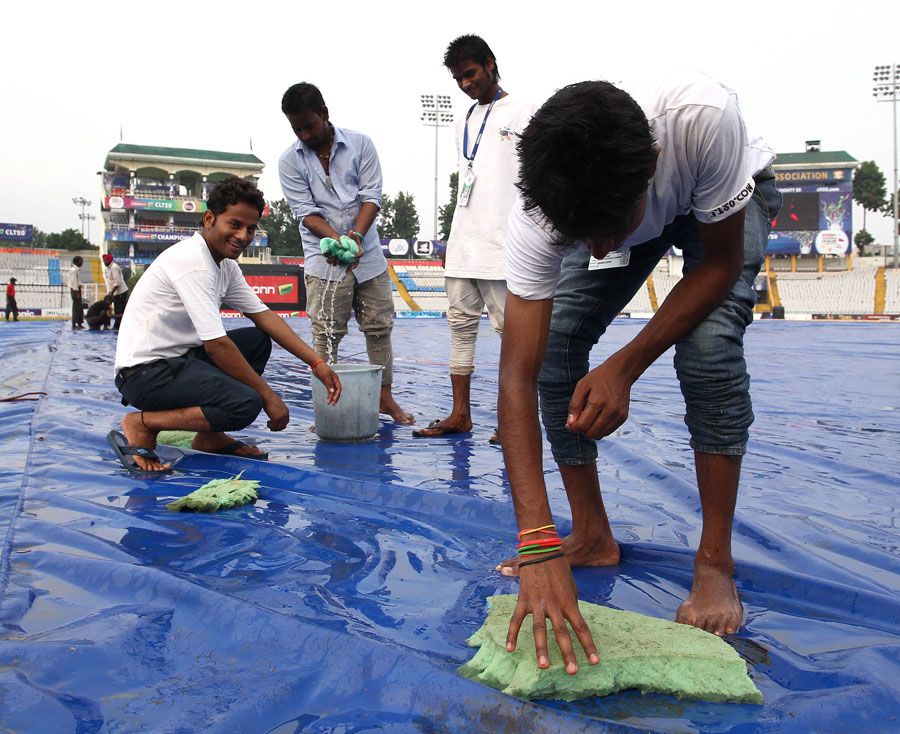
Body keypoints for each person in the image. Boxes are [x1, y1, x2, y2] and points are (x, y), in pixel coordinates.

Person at [496, 73, 780, 674]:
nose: (597, 251)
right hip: (618, 196)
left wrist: (625, 365)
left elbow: (721, 263)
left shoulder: (703, 121)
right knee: (556, 349)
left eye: (608, 231)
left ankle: (714, 561)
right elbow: (515, 376)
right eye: (582, 236)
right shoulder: (541, 202)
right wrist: (537, 540)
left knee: (709, 350)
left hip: (724, 198)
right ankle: (592, 535)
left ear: (651, 165)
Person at [110, 177, 342, 474]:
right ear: (209, 219)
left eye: (250, 228)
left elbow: (264, 316)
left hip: (178, 360)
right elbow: (217, 345)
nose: (243, 236)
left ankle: (210, 437)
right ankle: (142, 424)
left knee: (257, 341)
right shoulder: (193, 261)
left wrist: (316, 363)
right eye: (234, 225)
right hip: (144, 374)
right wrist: (269, 397)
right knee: (245, 403)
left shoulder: (225, 265)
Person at [413, 35, 535, 444]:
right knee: (460, 328)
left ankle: (513, 419)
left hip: (504, 246)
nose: (465, 84)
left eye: (470, 74)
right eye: (458, 78)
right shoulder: (463, 119)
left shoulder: (523, 111)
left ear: (490, 64)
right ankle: (460, 413)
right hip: (463, 241)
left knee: (511, 336)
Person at [278, 82, 413, 425]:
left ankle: (384, 399)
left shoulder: (360, 145)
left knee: (379, 327)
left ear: (325, 114)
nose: (304, 134)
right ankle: (329, 404)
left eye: (309, 125)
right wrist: (337, 242)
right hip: (322, 256)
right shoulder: (289, 161)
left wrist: (354, 238)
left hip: (367, 255)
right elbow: (304, 212)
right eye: (297, 129)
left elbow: (371, 198)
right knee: (325, 332)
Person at [102, 253, 129, 329]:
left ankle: (118, 326)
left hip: (120, 292)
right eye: (104, 261)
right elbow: (110, 282)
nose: (105, 262)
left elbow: (117, 282)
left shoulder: (114, 267)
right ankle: (116, 325)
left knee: (119, 310)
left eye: (106, 261)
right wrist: (110, 293)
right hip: (114, 292)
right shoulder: (108, 268)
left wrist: (111, 294)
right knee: (116, 309)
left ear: (110, 260)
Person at [68, 256, 84, 329]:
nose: (82, 262)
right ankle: (76, 324)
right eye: (81, 261)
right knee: (77, 307)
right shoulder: (74, 270)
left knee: (79, 307)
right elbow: (74, 282)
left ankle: (78, 323)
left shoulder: (76, 270)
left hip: (76, 289)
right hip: (75, 290)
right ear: (77, 261)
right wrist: (77, 292)